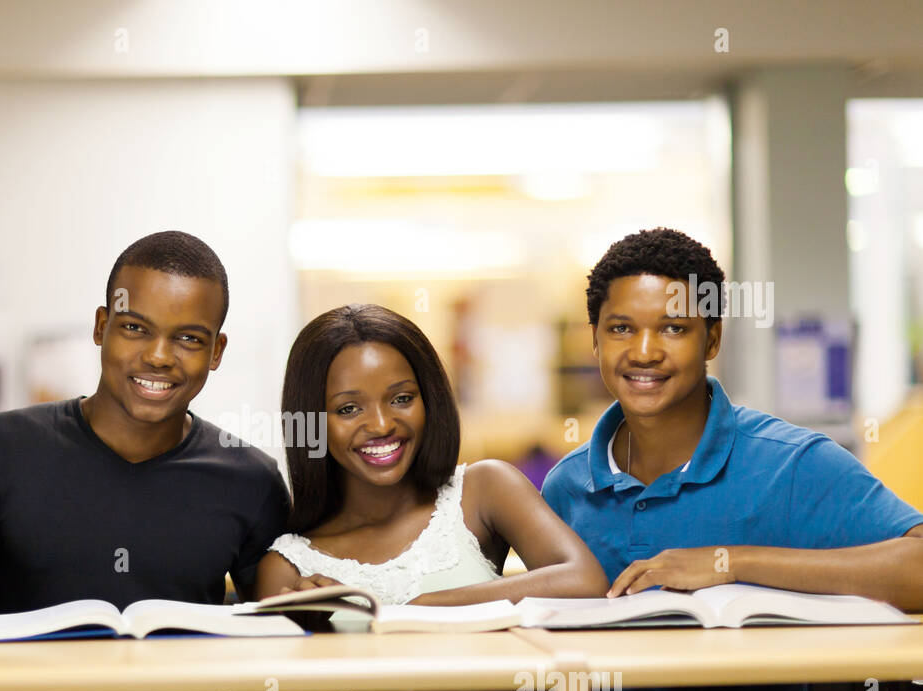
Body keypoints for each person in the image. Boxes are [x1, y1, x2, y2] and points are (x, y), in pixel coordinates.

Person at [541, 227, 923, 609]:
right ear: (595, 340)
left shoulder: (793, 464)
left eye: (673, 328)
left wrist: (732, 562)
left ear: (712, 340)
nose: (644, 352)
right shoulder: (566, 488)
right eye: (621, 329)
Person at [0, 231, 288, 612]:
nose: (159, 356)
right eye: (135, 328)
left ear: (216, 352)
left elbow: (279, 628)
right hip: (33, 673)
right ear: (101, 326)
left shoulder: (253, 482)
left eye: (189, 338)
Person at [255, 304, 608, 608]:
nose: (381, 425)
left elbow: (585, 582)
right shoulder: (288, 567)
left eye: (402, 399)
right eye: (348, 409)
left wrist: (425, 607)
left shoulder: (483, 489)